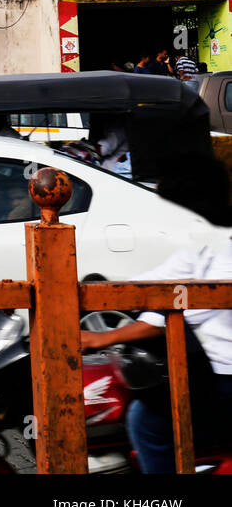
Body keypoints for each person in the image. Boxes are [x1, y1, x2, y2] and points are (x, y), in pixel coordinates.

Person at [80, 158, 232, 472]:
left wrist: (103, 338)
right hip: (207, 369)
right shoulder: (202, 243)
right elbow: (154, 283)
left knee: (144, 420)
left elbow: (173, 316)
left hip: (225, 378)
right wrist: (94, 293)